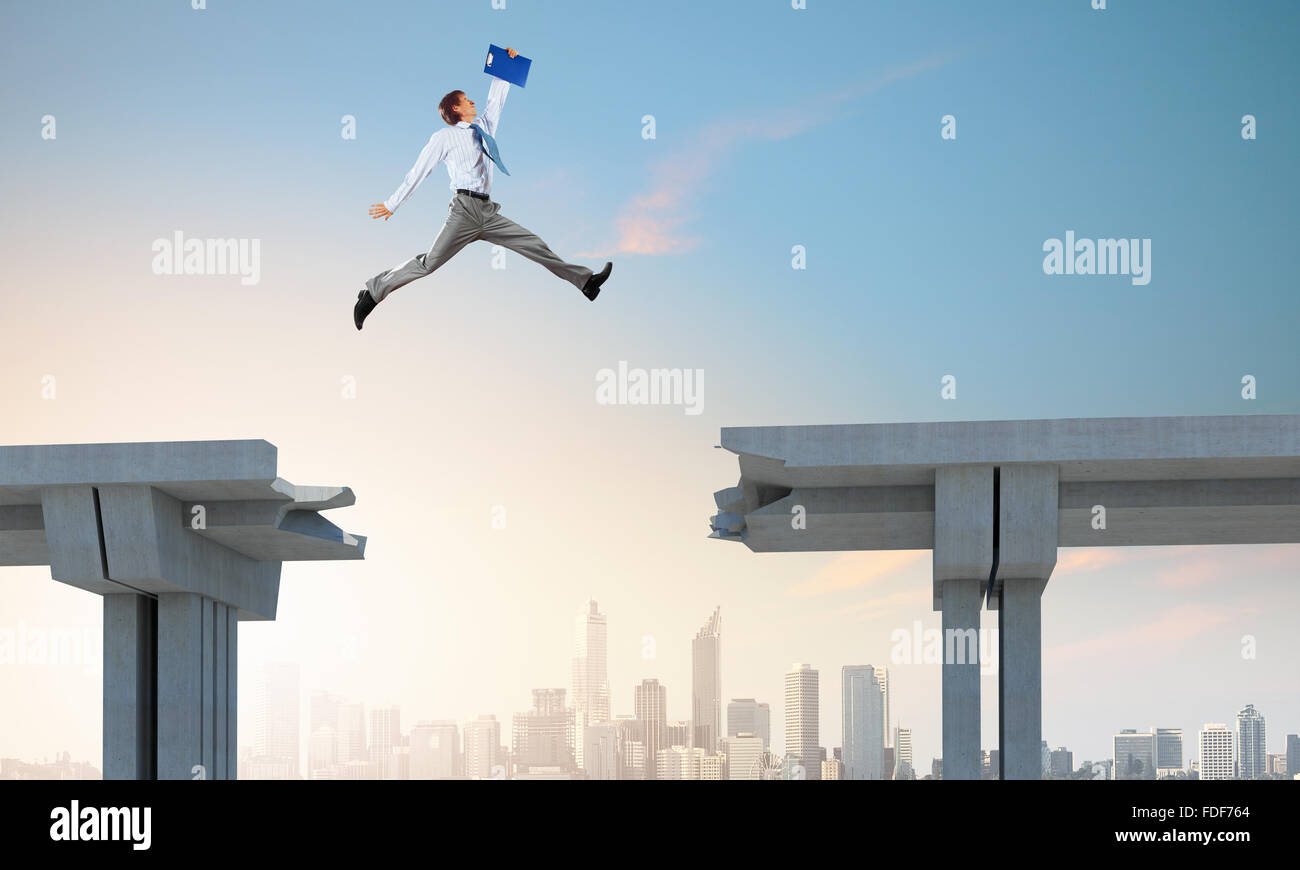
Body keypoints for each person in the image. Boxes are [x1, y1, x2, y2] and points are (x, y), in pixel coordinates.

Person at [354, 47, 612, 330]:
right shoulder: (445, 137)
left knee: (534, 244)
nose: (472, 101)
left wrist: (505, 67)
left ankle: (586, 282)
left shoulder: (484, 127)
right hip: (463, 212)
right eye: (466, 100)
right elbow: (419, 171)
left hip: (488, 212)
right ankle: (373, 292)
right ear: (455, 108)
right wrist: (393, 203)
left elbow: (496, 101)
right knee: (429, 263)